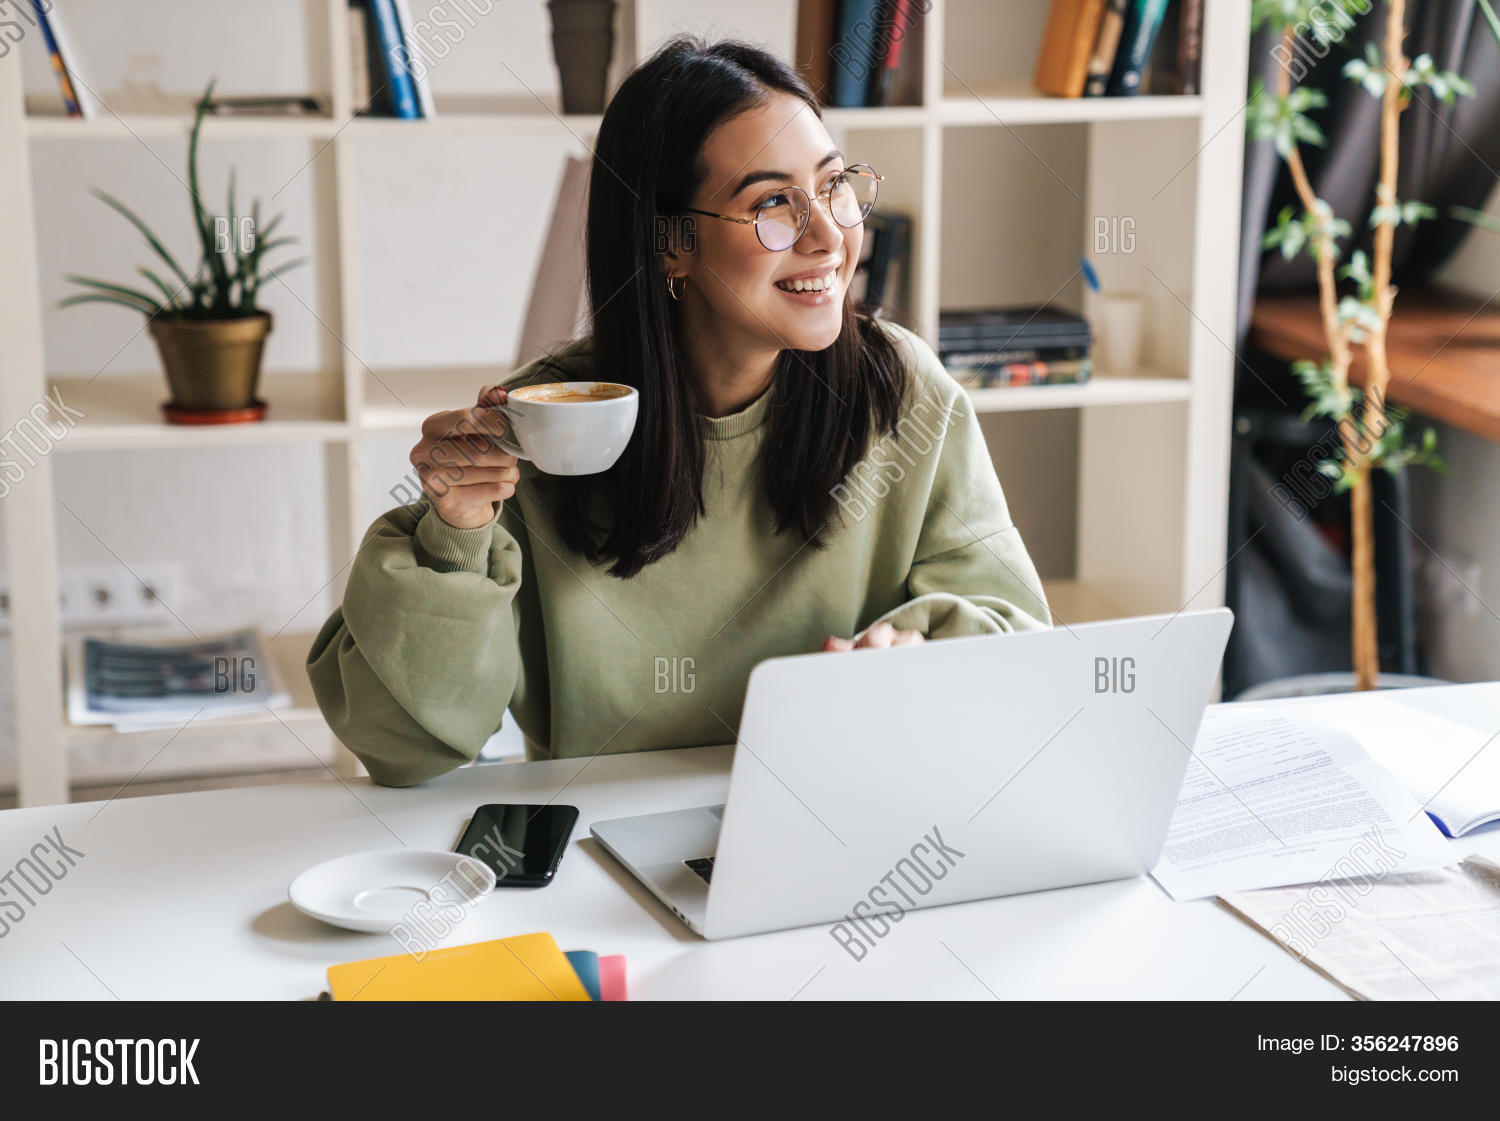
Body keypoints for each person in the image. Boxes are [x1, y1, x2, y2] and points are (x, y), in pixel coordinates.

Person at [308, 36, 1051, 787]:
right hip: (600, 855)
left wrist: (912, 657)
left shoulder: (903, 393)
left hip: (835, 816)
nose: (829, 235)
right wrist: (457, 535)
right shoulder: (542, 427)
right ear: (671, 247)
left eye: (833, 185)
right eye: (772, 205)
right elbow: (403, 751)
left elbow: (1020, 649)